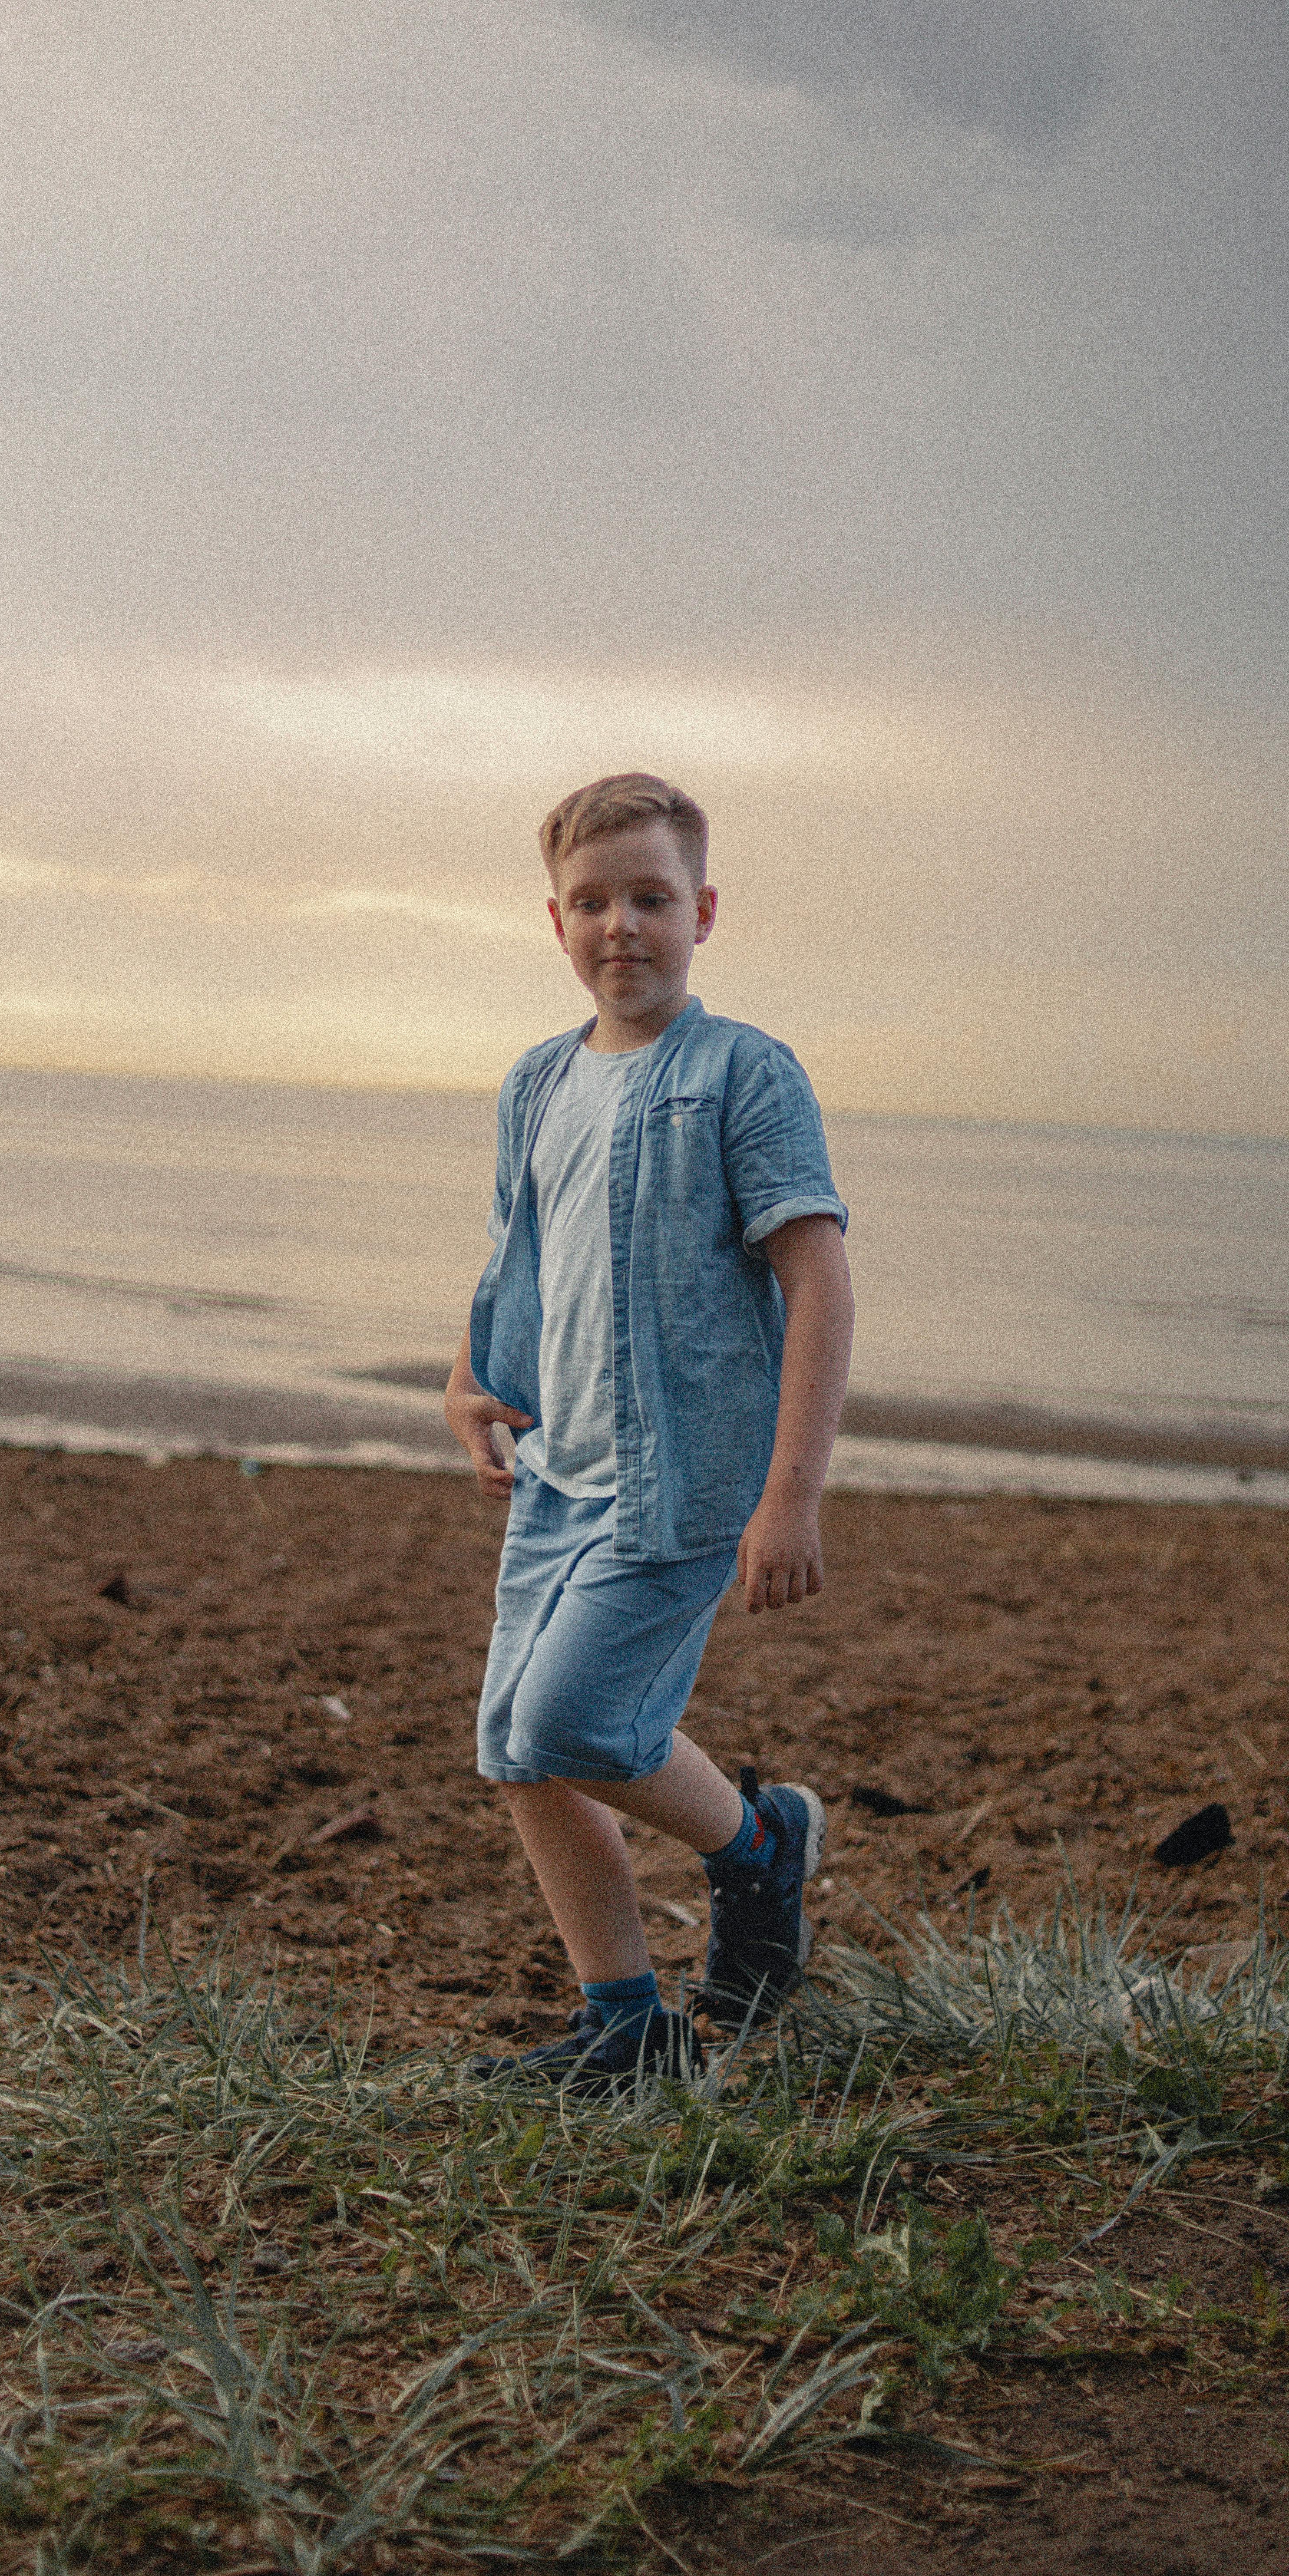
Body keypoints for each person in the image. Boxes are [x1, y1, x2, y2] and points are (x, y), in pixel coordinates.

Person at [443, 771, 855, 2091]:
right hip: (557, 1476)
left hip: (682, 1481)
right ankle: (626, 2028)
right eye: (591, 902)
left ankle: (758, 1846)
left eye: (652, 899)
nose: (621, 925)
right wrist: (468, 1379)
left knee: (574, 1724)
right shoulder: (537, 1083)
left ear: (704, 912)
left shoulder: (743, 1073)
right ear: (555, 922)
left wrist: (791, 1496)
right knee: (520, 1754)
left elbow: (817, 1280)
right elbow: (521, 1257)